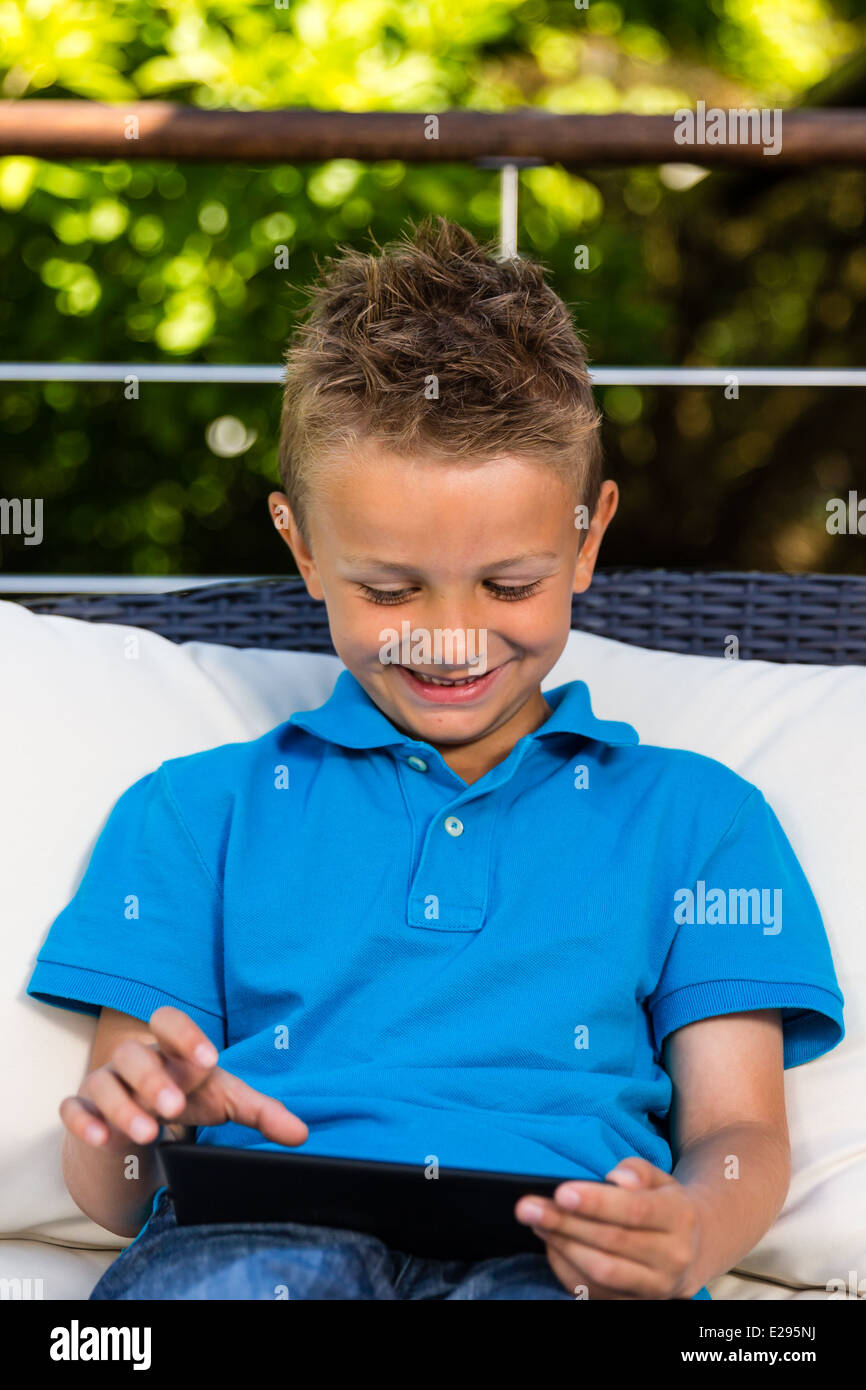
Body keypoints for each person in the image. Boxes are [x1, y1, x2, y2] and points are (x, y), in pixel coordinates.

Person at [27, 217, 844, 1300]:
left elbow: (737, 1127)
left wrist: (688, 1231)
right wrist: (141, 1122)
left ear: (587, 538)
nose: (451, 637)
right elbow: (116, 1183)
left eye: (507, 585)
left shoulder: (701, 821)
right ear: (302, 548)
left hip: (558, 1250)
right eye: (389, 588)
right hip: (258, 1229)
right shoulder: (194, 814)